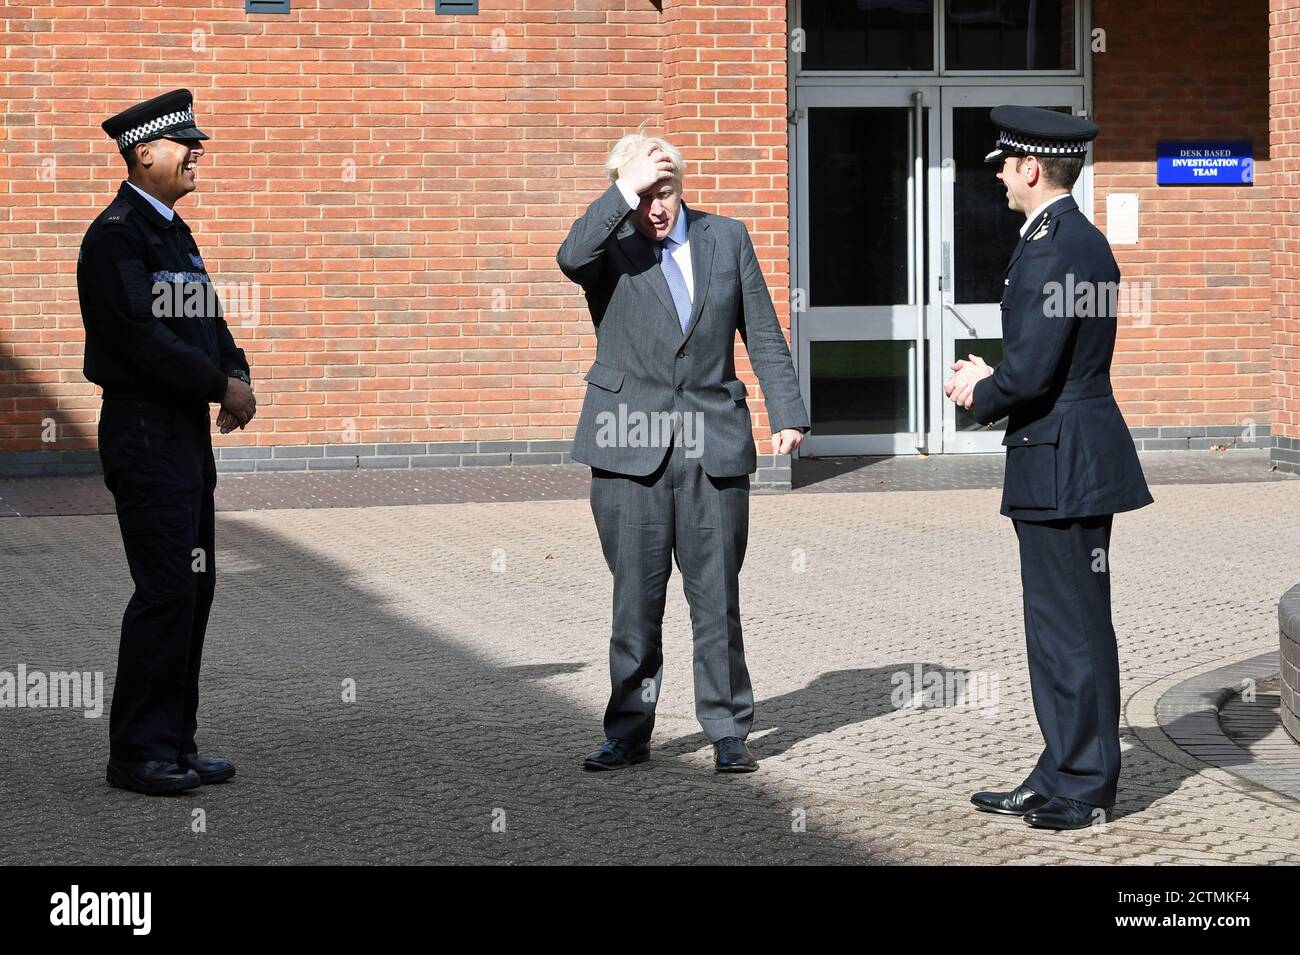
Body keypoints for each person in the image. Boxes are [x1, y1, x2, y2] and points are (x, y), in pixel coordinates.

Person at [557, 133, 809, 773]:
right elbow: (568, 256)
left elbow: (763, 330)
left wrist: (787, 412)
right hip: (628, 449)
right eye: (643, 195)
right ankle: (628, 730)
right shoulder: (609, 247)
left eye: (664, 191)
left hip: (712, 443)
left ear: (682, 186)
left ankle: (727, 729)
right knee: (635, 601)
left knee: (716, 595)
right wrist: (625, 187)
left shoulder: (726, 238)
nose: (656, 208)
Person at [946, 106, 1153, 830]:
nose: (1000, 175)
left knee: (1069, 629)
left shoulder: (1050, 247)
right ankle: (1060, 767)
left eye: (1005, 164)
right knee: (1068, 625)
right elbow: (1056, 357)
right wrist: (1005, 374)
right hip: (1077, 452)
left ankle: (1086, 784)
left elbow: (1033, 373)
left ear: (1032, 168)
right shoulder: (1082, 240)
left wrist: (979, 387)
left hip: (1059, 460)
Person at [79, 89, 257, 795]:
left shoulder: (173, 233)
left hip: (181, 436)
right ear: (143, 152)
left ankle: (174, 743)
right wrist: (220, 384)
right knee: (164, 590)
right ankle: (137, 753)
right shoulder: (118, 235)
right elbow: (138, 337)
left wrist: (234, 368)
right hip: (144, 431)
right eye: (185, 144)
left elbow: (205, 317)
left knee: (193, 587)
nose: (196, 153)